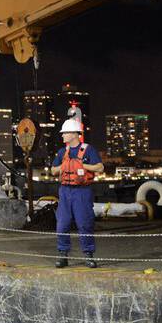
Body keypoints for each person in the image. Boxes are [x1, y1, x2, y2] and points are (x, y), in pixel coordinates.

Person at [50, 114, 103, 268]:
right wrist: (65, 166)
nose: (63, 136)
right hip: (65, 191)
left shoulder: (88, 150)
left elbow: (100, 167)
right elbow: (54, 170)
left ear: (74, 134)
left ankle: (88, 255)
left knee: (84, 223)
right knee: (62, 224)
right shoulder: (62, 152)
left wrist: (80, 166)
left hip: (82, 191)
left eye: (65, 133)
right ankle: (62, 255)